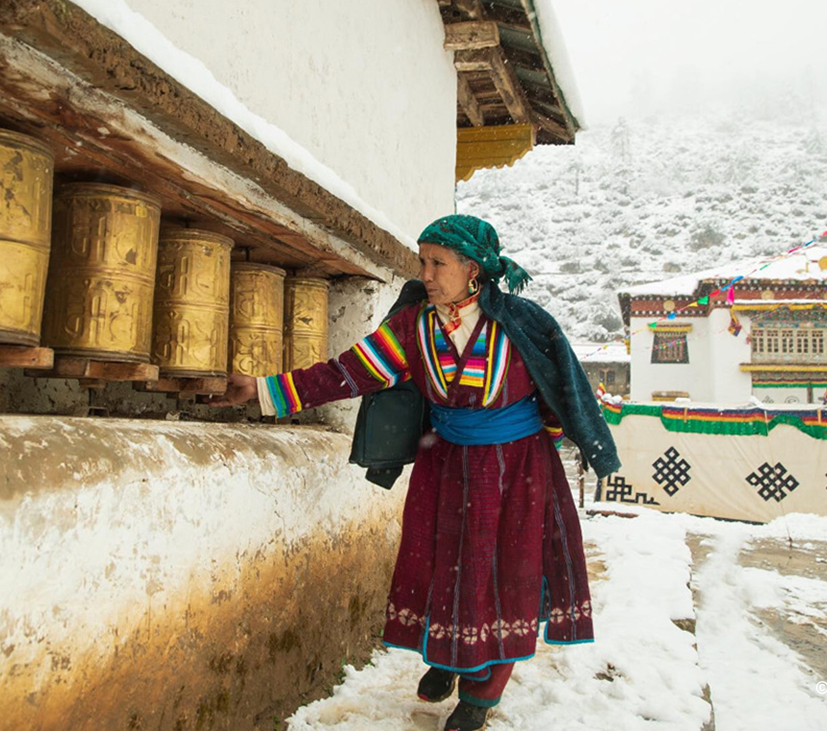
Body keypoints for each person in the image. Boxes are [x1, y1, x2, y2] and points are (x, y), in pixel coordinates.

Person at [213, 215, 619, 731]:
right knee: (446, 564)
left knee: (503, 575)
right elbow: (348, 372)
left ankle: (482, 689)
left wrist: (555, 444)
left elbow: (561, 389)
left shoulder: (524, 324)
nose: (425, 273)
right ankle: (448, 658)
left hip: (515, 470)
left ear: (472, 268)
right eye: (422, 262)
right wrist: (263, 389)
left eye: (437, 263)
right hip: (445, 464)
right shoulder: (413, 327)